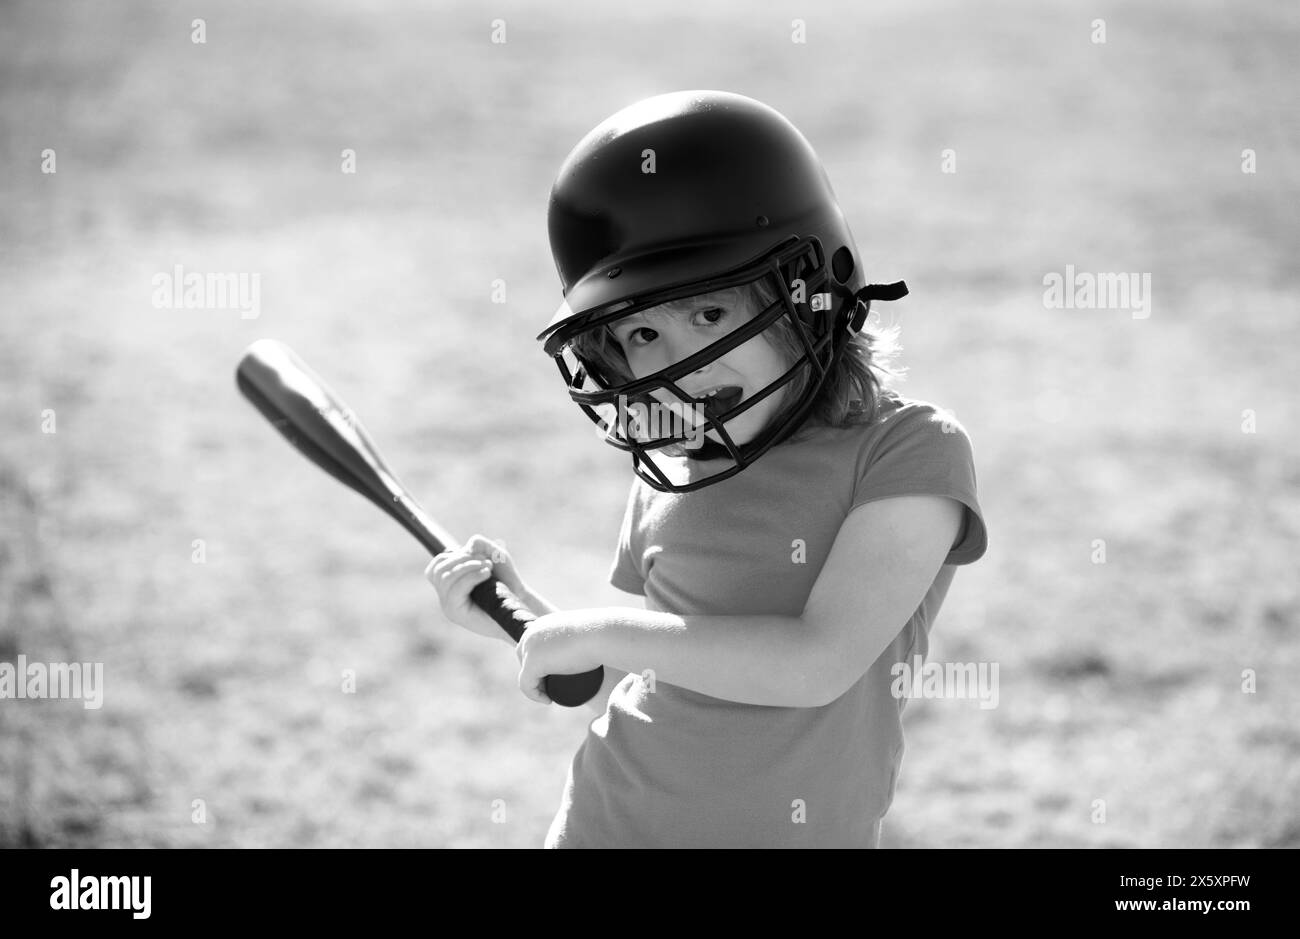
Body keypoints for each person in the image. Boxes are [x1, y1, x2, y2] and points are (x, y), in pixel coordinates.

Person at [426, 90, 989, 848]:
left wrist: (593, 629)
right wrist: (529, 619)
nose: (679, 361)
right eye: (644, 331)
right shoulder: (668, 468)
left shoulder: (906, 451)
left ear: (813, 294)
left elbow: (814, 663)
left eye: (712, 315)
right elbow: (645, 684)